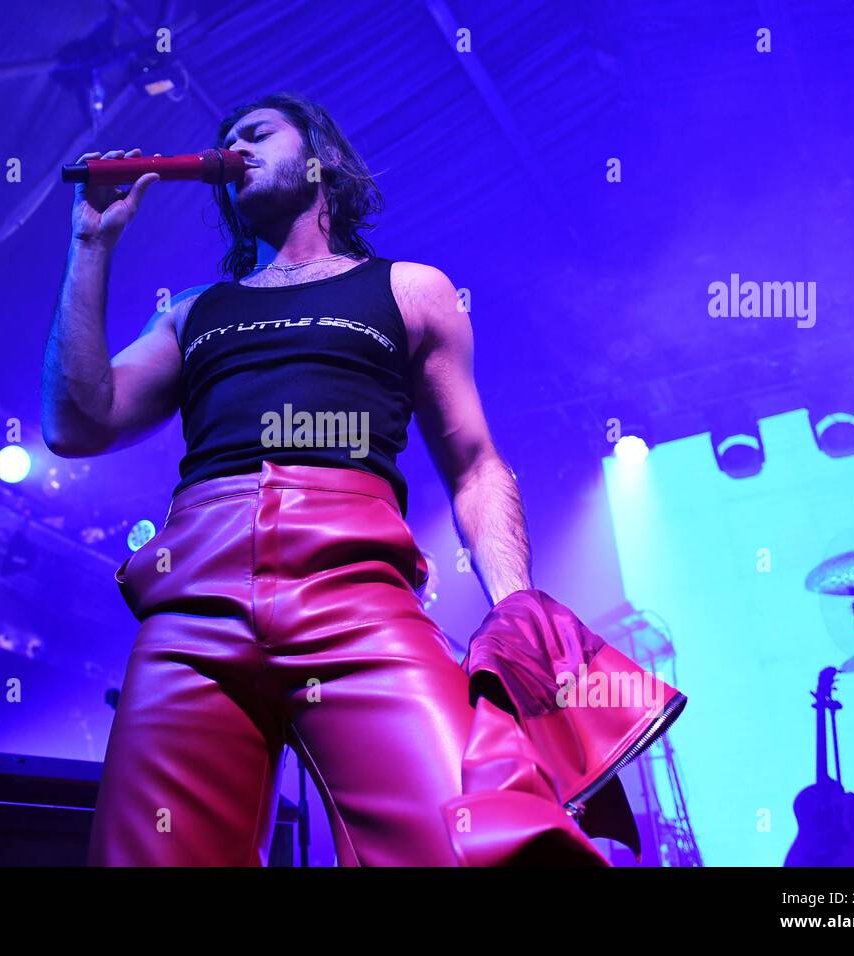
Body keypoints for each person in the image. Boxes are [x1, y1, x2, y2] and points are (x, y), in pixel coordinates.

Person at [43, 92, 552, 866]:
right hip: (193, 604)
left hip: (355, 589)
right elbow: (77, 423)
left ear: (324, 159)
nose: (235, 147)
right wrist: (91, 244)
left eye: (257, 133)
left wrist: (516, 605)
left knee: (461, 836)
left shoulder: (410, 289)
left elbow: (476, 464)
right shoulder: (192, 312)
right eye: (226, 141)